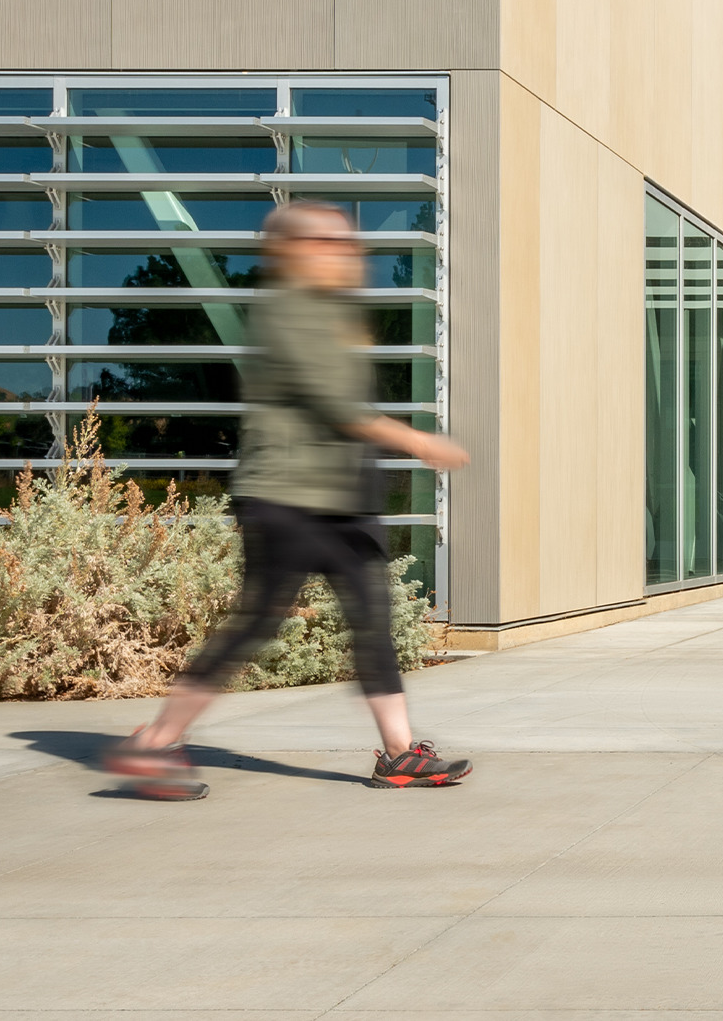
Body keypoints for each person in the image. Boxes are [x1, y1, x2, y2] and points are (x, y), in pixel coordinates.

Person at [103, 200, 474, 798]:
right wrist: (414, 439)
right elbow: (335, 406)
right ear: (291, 251)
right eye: (329, 242)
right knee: (255, 626)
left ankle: (400, 754)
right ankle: (149, 747)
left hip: (342, 502)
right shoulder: (288, 310)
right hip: (287, 498)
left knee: (374, 626)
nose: (346, 252)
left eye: (347, 242)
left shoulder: (329, 314)